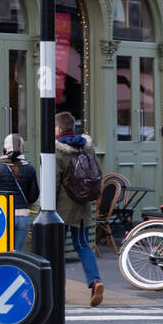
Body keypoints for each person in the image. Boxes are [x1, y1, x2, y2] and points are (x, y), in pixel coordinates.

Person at [55, 112, 103, 307]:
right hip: (83, 206)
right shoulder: (87, 149)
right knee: (83, 245)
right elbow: (98, 173)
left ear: (58, 129)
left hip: (60, 208)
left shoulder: (57, 151)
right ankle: (95, 281)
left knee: (56, 249)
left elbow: (54, 181)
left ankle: (58, 290)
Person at [0, 133, 39, 251]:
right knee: (16, 253)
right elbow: (33, 197)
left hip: (2, 215)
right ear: (22, 148)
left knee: (3, 252)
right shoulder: (30, 168)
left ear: (5, 148)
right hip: (23, 216)